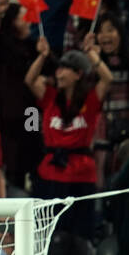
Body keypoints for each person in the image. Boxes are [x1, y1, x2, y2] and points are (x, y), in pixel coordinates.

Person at [26, 36, 113, 237]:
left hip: (81, 174)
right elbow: (29, 80)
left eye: (65, 68)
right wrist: (42, 56)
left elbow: (107, 78)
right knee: (45, 233)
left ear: (78, 74)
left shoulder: (91, 100)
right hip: (50, 173)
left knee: (79, 234)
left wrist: (90, 52)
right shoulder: (50, 97)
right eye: (59, 67)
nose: (59, 72)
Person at [0, 0, 43, 188]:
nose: (28, 21)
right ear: (11, 21)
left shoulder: (34, 45)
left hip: (32, 111)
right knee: (11, 164)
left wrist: (45, 54)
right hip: (9, 115)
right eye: (22, 17)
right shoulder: (1, 47)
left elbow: (51, 69)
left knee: (35, 156)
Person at [92, 9, 129, 188]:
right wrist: (92, 59)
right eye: (100, 31)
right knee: (102, 191)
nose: (104, 36)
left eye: (110, 30)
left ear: (121, 33)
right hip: (102, 141)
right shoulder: (93, 63)